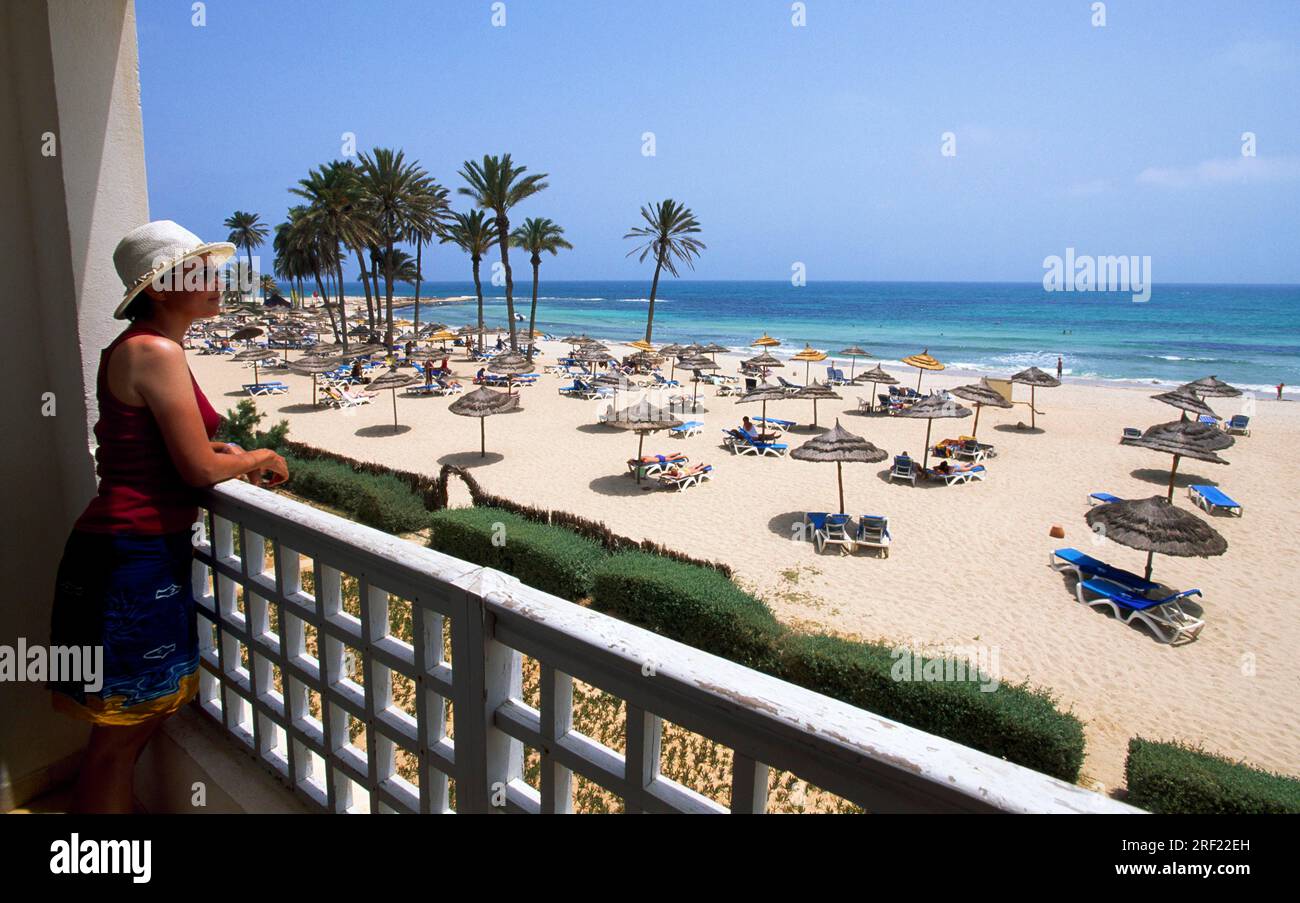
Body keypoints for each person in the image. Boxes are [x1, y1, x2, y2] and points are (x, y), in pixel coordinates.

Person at [48, 221, 289, 814]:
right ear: (159, 287)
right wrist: (258, 455)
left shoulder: (147, 347)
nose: (216, 280)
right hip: (131, 556)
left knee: (125, 731)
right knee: (119, 738)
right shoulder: (154, 351)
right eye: (198, 270)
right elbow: (195, 471)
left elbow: (178, 450)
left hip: (122, 549)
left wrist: (223, 453)